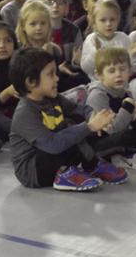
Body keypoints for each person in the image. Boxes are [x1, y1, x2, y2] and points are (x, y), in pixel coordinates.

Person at [8, 47, 129, 192]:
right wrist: (89, 127)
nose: (57, 78)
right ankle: (65, 173)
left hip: (55, 152)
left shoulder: (52, 98)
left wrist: (93, 116)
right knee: (72, 130)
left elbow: (80, 109)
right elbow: (52, 144)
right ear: (31, 82)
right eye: (51, 74)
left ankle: (91, 166)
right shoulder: (25, 113)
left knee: (74, 122)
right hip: (34, 172)